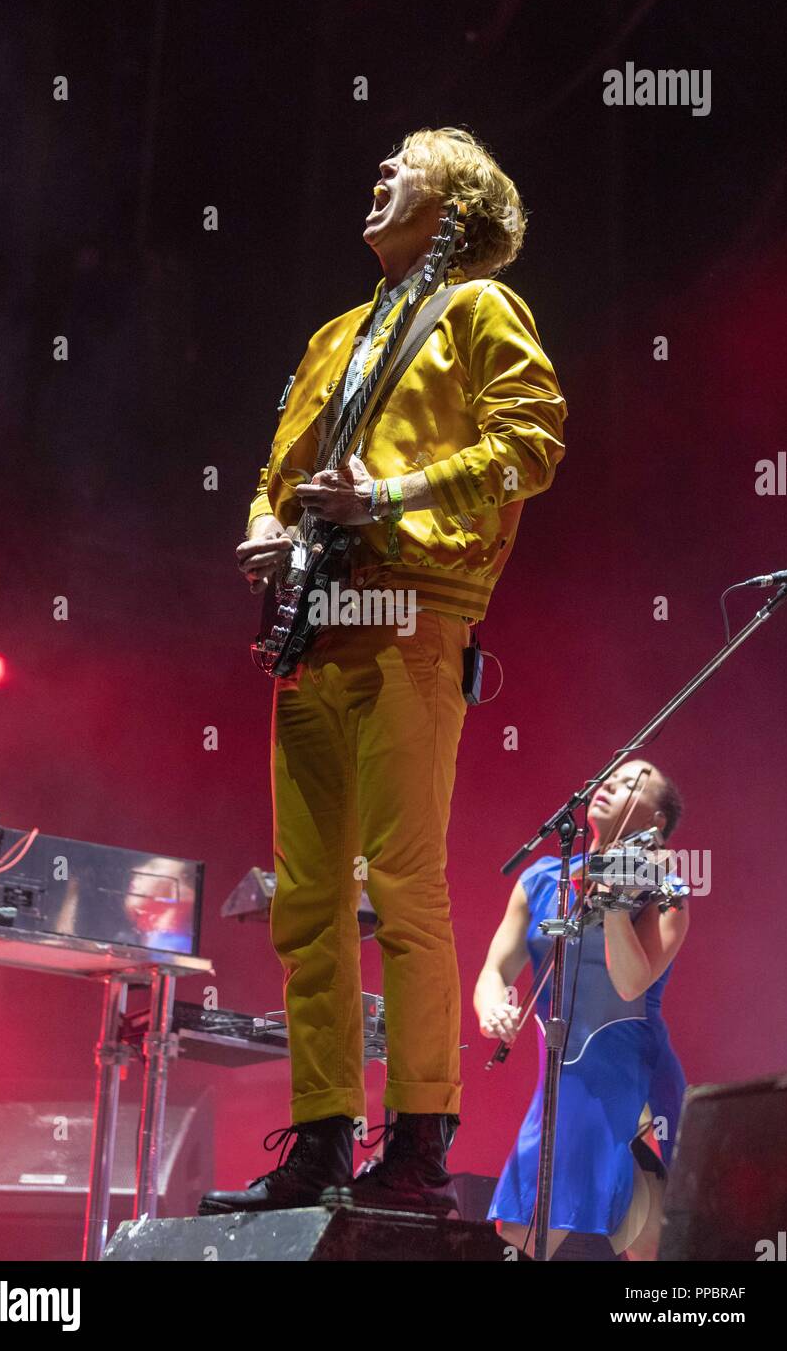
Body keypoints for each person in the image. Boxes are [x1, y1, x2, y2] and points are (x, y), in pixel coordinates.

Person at [201, 126, 567, 1216]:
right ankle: (320, 1137)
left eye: (398, 165)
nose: (373, 178)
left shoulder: (476, 308)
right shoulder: (332, 336)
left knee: (400, 884)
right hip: (313, 632)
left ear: (454, 201)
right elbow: (280, 473)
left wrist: (392, 499)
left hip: (413, 615)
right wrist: (269, 524)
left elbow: (531, 442)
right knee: (306, 904)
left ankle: (417, 1136)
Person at [475, 760, 689, 1258]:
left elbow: (633, 979)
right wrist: (493, 1008)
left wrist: (613, 905)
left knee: (645, 1236)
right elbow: (495, 971)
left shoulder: (668, 887)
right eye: (610, 777)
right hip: (566, 1076)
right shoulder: (542, 880)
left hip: (632, 1074)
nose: (611, 785)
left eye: (634, 783)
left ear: (656, 823)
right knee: (525, 1226)